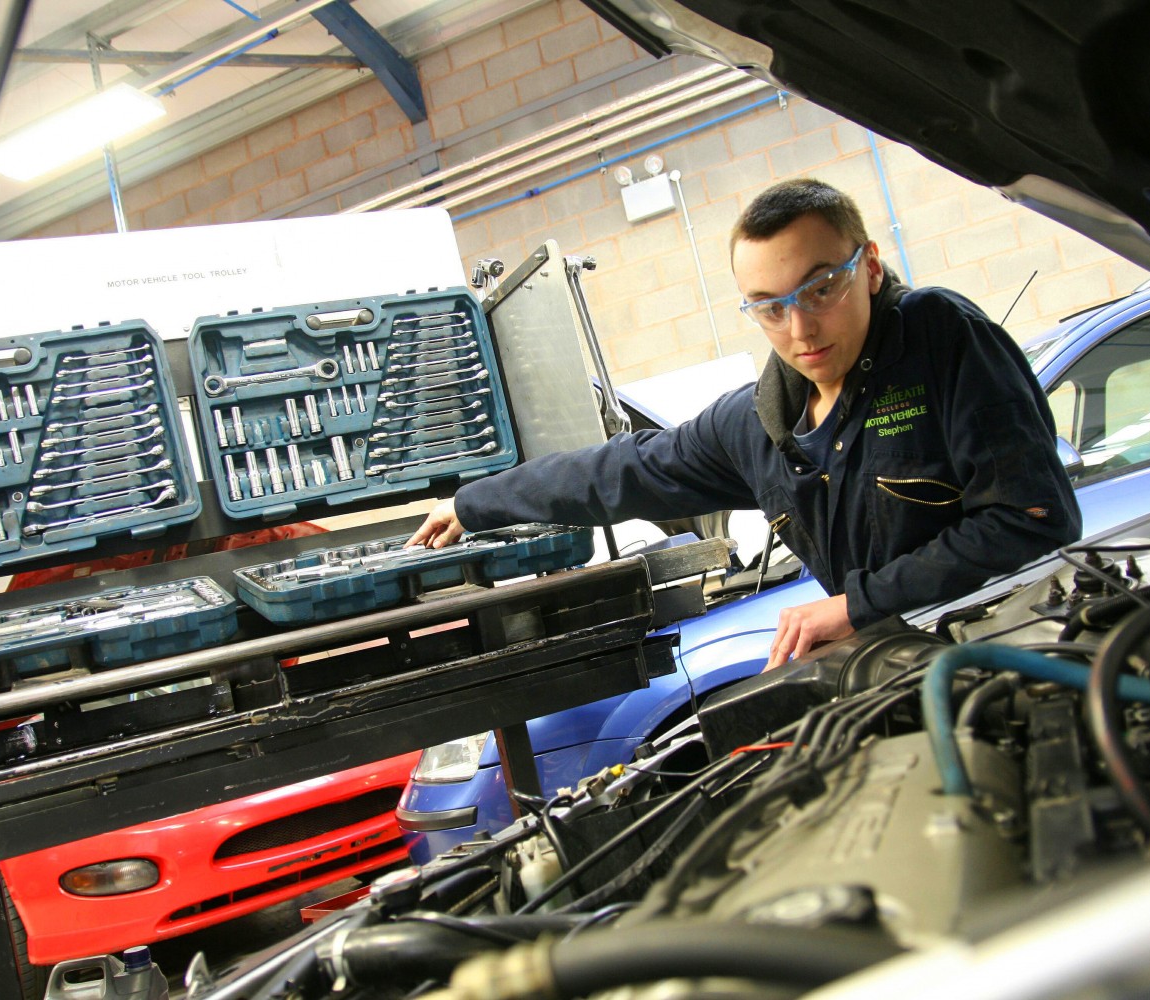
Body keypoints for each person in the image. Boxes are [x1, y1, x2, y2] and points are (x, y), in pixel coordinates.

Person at [409, 178, 1081, 669]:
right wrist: (473, 504)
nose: (800, 328)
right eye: (769, 307)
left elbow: (1031, 518)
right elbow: (621, 471)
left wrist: (854, 605)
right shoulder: (756, 426)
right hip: (898, 667)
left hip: (1018, 645)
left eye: (822, 288)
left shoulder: (940, 339)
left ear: (871, 267)